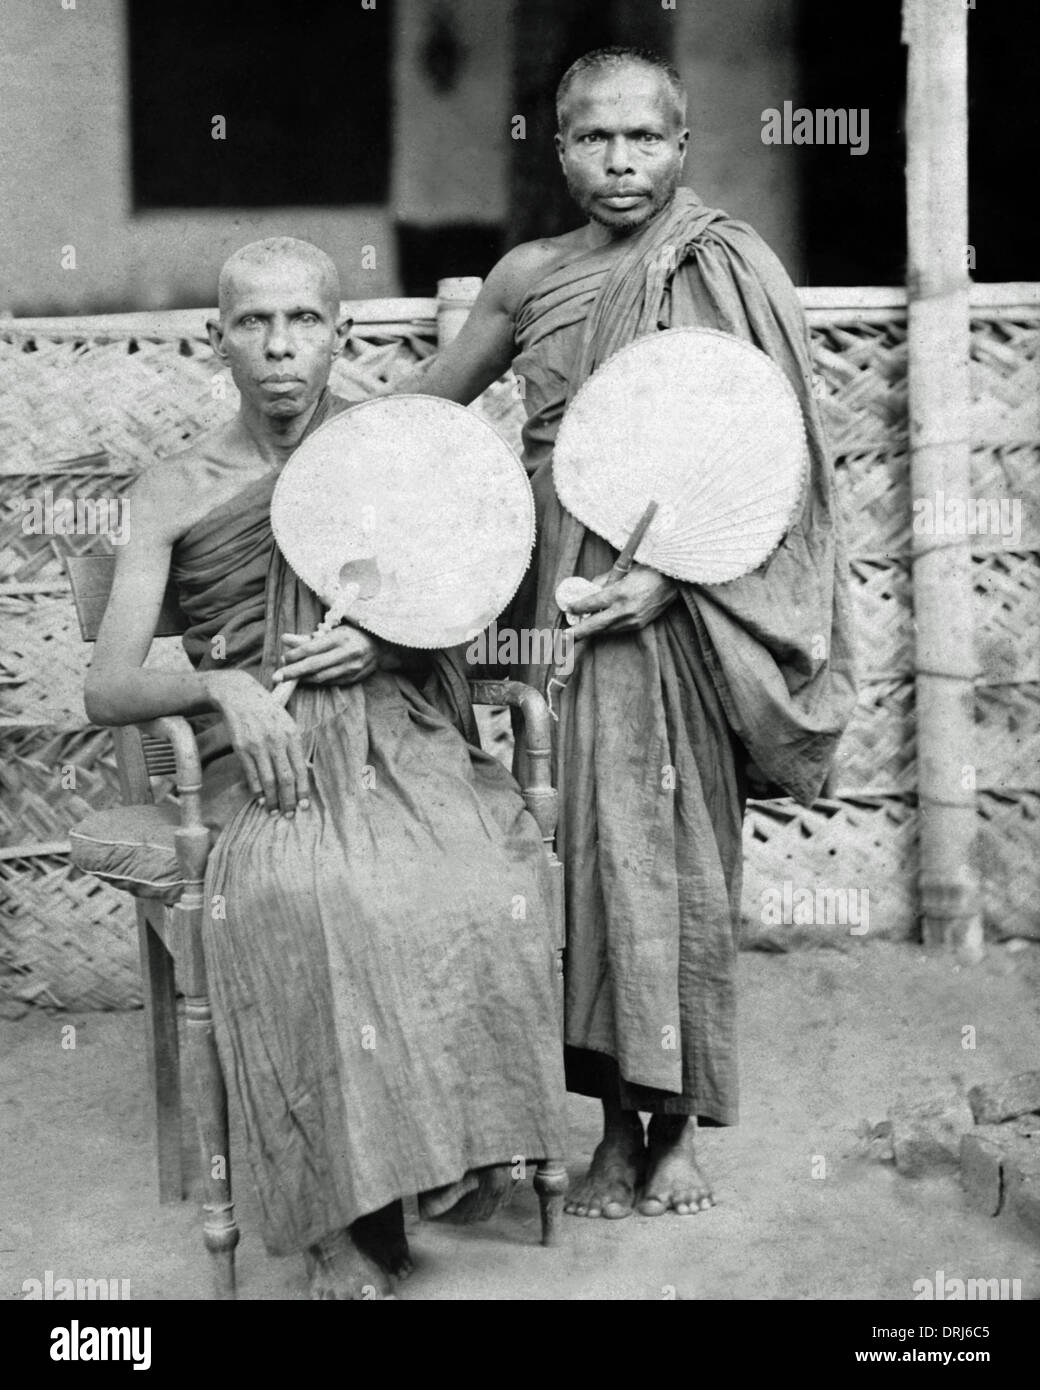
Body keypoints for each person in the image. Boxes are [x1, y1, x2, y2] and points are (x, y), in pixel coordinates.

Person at [400, 47, 857, 1220]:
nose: (618, 161)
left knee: (686, 859)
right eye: (593, 139)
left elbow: (776, 458)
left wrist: (669, 573)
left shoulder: (726, 265)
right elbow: (422, 418)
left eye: (641, 139)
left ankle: (680, 1131)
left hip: (691, 606)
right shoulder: (525, 277)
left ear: (680, 146)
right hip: (568, 606)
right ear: (556, 150)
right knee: (597, 870)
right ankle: (612, 1128)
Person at [83, 237, 566, 1298]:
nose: (279, 345)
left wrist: (386, 645)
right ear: (219, 341)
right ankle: (337, 1227)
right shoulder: (173, 489)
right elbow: (108, 688)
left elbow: (450, 603)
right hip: (259, 755)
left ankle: (448, 1157)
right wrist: (224, 687)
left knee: (486, 874)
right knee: (302, 897)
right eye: (253, 323)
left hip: (396, 727)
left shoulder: (382, 451)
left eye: (302, 320)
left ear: (339, 334)